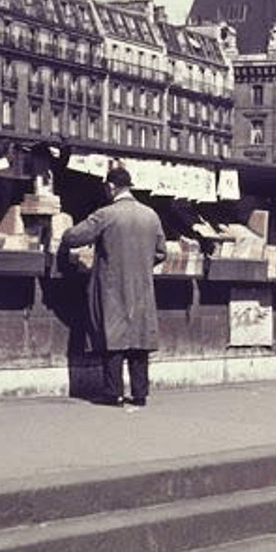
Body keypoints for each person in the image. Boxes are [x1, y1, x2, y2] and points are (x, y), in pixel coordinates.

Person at [61, 167, 167, 410]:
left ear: (111, 187)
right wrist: (141, 264)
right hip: (141, 286)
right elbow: (161, 252)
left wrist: (60, 230)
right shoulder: (151, 215)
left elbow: (74, 237)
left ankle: (113, 393)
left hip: (112, 286)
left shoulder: (106, 214)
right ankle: (140, 394)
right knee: (139, 339)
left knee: (113, 338)